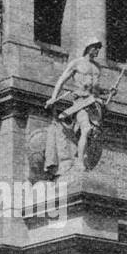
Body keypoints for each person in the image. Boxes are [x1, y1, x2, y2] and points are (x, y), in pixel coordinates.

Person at [45, 38, 105, 170]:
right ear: (89, 47)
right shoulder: (77, 63)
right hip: (81, 103)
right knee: (86, 129)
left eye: (99, 48)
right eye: (96, 48)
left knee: (93, 134)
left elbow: (97, 90)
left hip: (94, 104)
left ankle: (83, 157)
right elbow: (61, 80)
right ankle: (79, 162)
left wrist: (108, 92)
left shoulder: (97, 68)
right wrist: (53, 97)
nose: (98, 51)